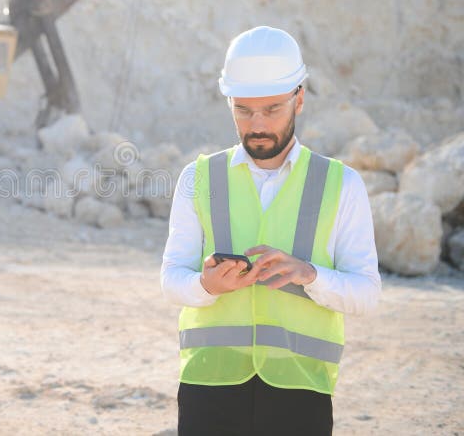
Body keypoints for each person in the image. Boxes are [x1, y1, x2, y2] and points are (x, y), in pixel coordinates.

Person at [160, 26, 381, 435]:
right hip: (209, 386)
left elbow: (367, 295)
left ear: (299, 98)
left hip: (300, 390)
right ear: (229, 102)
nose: (257, 124)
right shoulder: (198, 177)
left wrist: (309, 275)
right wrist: (208, 286)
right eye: (243, 110)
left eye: (272, 109)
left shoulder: (341, 183)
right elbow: (172, 280)